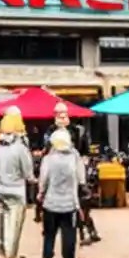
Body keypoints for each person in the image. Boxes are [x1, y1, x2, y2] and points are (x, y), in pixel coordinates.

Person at [43, 103, 101, 245]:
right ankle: (52, 228)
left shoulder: (77, 130)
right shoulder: (50, 131)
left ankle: (87, 229)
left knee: (81, 200)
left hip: (75, 168)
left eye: (63, 114)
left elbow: (85, 151)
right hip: (56, 169)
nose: (61, 117)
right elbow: (46, 151)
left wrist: (83, 163)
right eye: (58, 114)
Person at [0, 106, 36, 258]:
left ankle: (4, 253)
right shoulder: (20, 148)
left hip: (2, 190)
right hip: (17, 191)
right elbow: (28, 172)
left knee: (3, 224)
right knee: (14, 228)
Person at [38, 129, 83, 258]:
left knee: (49, 233)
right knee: (69, 234)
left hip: (50, 203)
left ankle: (46, 257)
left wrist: (41, 193)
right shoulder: (74, 157)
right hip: (69, 203)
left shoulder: (48, 159)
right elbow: (81, 178)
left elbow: (43, 180)